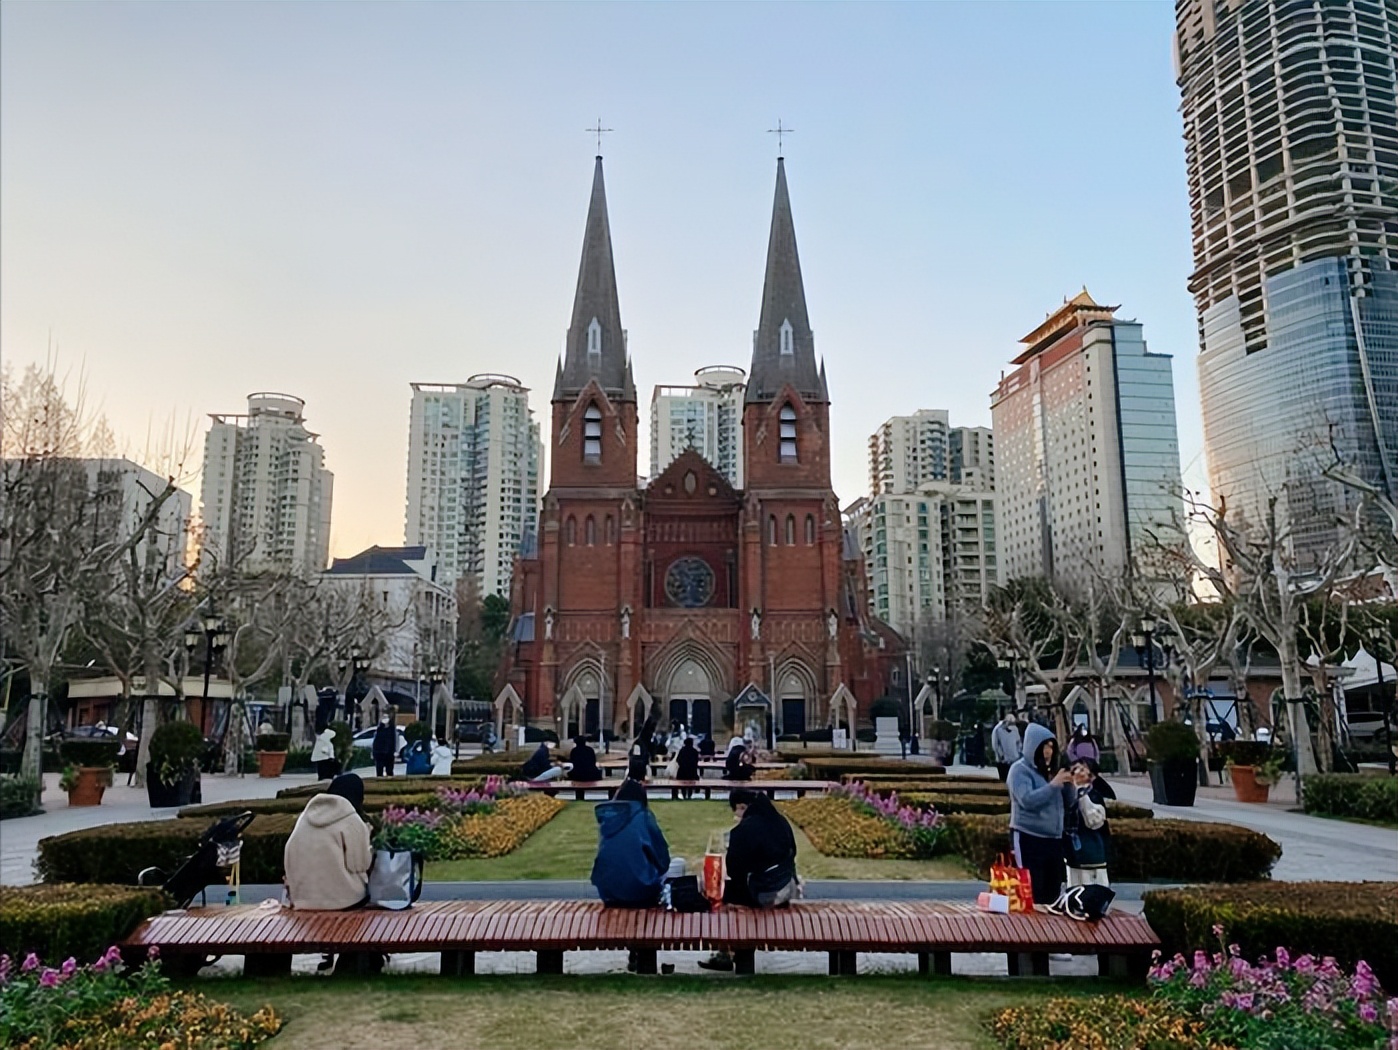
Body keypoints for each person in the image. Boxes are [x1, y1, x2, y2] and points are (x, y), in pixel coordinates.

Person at [699, 788, 799, 971]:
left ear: (741, 807)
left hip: (765, 892)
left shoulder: (745, 829)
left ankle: (725, 953)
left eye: (735, 811)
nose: (735, 816)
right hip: (786, 887)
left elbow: (735, 869)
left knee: (721, 895)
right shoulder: (781, 822)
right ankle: (737, 951)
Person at [1007, 722, 1074, 906]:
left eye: (1051, 747)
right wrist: (1053, 786)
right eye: (1044, 746)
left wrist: (1068, 784)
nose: (1048, 751)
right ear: (1032, 746)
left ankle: (1049, 933)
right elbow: (1027, 800)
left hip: (1053, 840)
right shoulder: (1019, 770)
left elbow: (1068, 803)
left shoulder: (1051, 772)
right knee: (1031, 892)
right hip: (1029, 837)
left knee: (1052, 893)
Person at [283, 773, 372, 911]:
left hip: (302, 900)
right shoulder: (352, 820)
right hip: (345, 901)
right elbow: (361, 865)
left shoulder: (305, 817)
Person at [590, 778, 670, 908]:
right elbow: (662, 858)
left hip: (607, 893)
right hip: (640, 893)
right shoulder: (644, 816)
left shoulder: (608, 819)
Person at [1060, 758, 1110, 889]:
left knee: (1094, 890)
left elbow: (1094, 822)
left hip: (1091, 851)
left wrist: (1081, 795)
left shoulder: (1094, 796)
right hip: (1072, 852)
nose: (1076, 772)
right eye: (1074, 768)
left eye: (1082, 769)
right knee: (1074, 889)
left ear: (1092, 776)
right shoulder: (1067, 793)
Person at [992, 713, 1023, 782]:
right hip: (1002, 761)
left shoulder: (1015, 730)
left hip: (1014, 760)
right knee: (1004, 780)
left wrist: (1018, 753)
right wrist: (1001, 755)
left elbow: (1018, 743)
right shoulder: (998, 730)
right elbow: (995, 745)